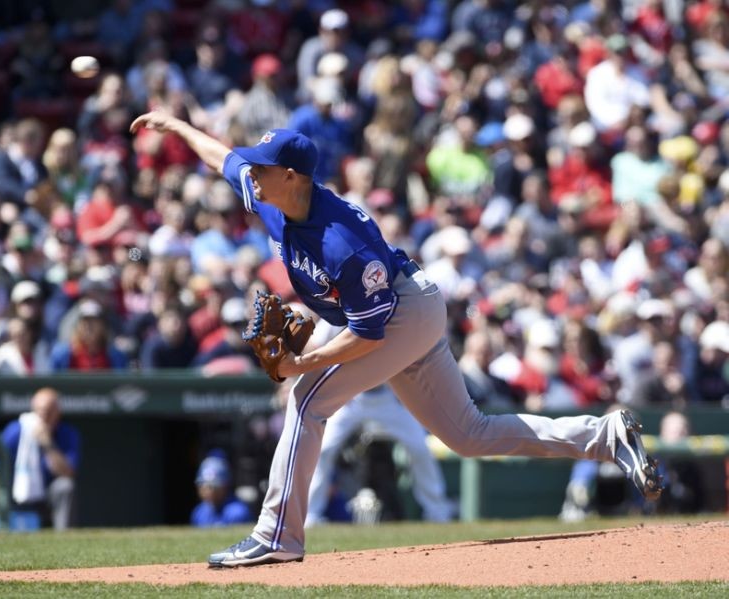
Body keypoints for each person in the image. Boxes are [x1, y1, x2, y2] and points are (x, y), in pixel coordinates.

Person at [129, 112, 663, 568]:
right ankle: (604, 434)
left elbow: (368, 334)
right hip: (400, 309)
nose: (252, 172)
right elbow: (222, 159)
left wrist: (304, 362)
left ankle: (277, 536)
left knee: (306, 399)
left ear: (290, 176)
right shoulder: (276, 197)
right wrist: (174, 125)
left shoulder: (342, 244)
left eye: (262, 167)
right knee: (469, 434)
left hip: (401, 313)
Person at [305, 320, 452, 526]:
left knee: (419, 447)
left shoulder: (394, 310)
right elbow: (314, 347)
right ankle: (311, 515)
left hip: (387, 396)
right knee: (324, 449)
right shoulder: (338, 314)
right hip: (350, 397)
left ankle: (438, 512)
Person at [0, 388, 80, 530]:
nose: (44, 416)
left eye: (49, 411)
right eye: (40, 411)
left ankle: (63, 538)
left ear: (58, 412)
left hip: (47, 497)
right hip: (16, 494)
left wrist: (48, 444)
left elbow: (67, 473)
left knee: (65, 486)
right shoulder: (15, 431)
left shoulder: (68, 433)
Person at [190, 452, 253, 528]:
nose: (207, 490)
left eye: (212, 486)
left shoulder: (238, 512)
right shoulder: (199, 512)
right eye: (202, 485)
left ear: (225, 486)